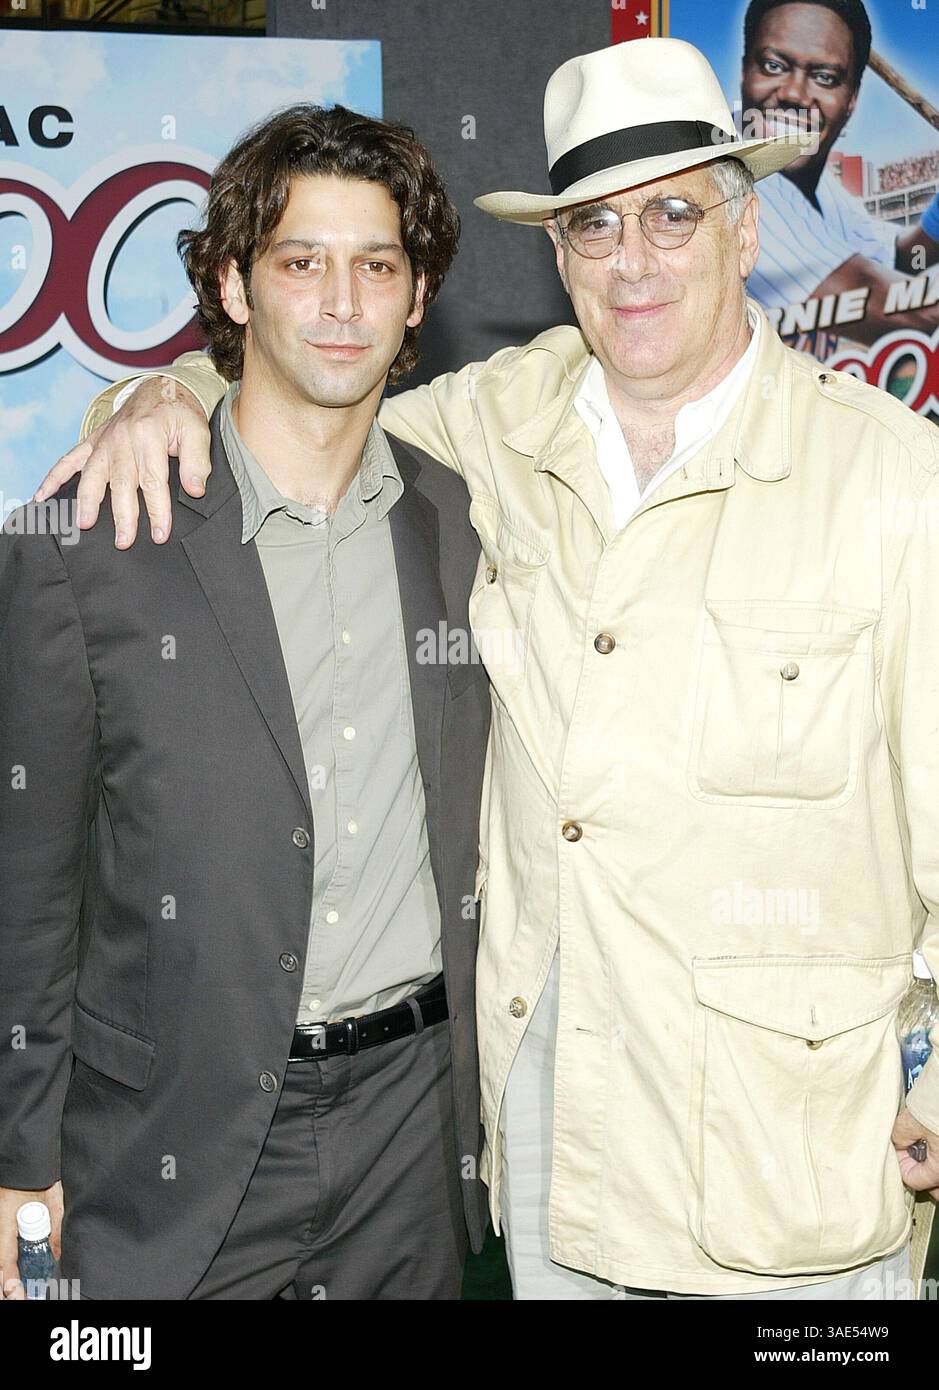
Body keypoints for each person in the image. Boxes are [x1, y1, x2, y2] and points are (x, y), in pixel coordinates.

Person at [36, 38, 939, 1300]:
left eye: (675, 215)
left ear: (745, 232)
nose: (633, 260)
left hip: (791, 1175)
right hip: (556, 1162)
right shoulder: (493, 428)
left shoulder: (893, 480)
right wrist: (156, 397)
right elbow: (299, 395)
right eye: (594, 225)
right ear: (558, 256)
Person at [0, 103, 491, 1301]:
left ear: (418, 297)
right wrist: (16, 1163)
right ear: (232, 283)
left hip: (410, 1138)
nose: (342, 302)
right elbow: (22, 891)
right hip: (162, 1148)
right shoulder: (84, 540)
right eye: (300, 262)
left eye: (378, 266)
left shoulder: (462, 523)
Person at [740, 0, 939, 356]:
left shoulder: (812, 182)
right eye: (774, 66)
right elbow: (909, 314)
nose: (794, 94)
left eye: (824, 77)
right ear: (745, 71)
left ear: (851, 100)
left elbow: (901, 258)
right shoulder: (740, 177)